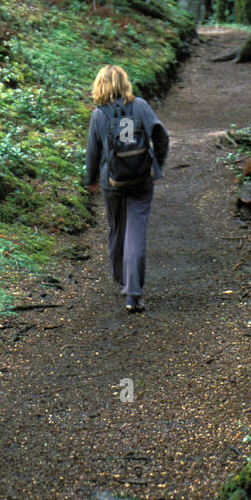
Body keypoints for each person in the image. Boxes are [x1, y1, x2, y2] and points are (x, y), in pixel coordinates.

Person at [84, 64, 169, 314]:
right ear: (125, 83)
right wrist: (156, 165)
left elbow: (93, 153)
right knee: (136, 234)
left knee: (117, 229)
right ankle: (133, 294)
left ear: (99, 85)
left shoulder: (99, 115)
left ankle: (121, 278)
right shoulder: (140, 106)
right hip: (142, 180)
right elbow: (161, 136)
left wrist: (90, 181)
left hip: (112, 182)